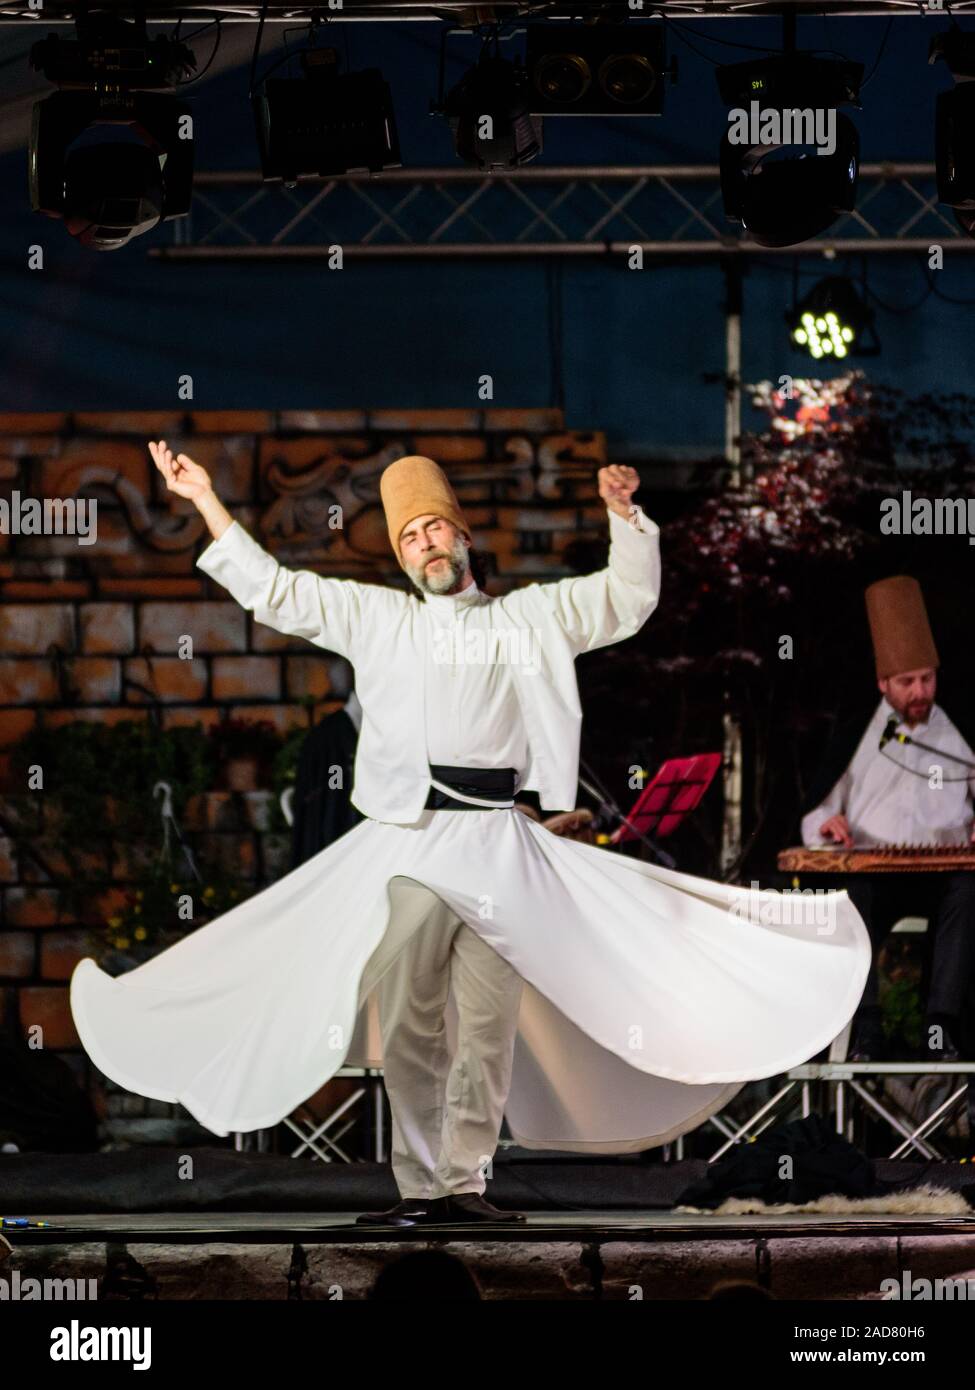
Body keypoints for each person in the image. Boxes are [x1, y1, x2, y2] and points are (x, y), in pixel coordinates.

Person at [69, 442, 870, 1228]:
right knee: (415, 1026)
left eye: (435, 529)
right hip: (411, 851)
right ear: (401, 556)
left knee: (486, 1028)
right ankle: (419, 1191)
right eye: (409, 536)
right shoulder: (379, 618)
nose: (425, 543)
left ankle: (463, 1186)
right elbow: (275, 591)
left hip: (499, 851)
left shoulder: (528, 617)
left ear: (461, 536)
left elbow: (623, 601)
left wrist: (625, 518)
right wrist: (206, 499)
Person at [801, 576, 975, 1062]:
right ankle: (867, 1031)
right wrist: (826, 827)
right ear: (883, 683)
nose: (920, 691)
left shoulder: (958, 732)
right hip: (874, 878)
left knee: (969, 890)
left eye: (927, 678)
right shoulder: (858, 734)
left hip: (943, 876)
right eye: (907, 682)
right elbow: (817, 813)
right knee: (847, 898)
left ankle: (942, 1031)